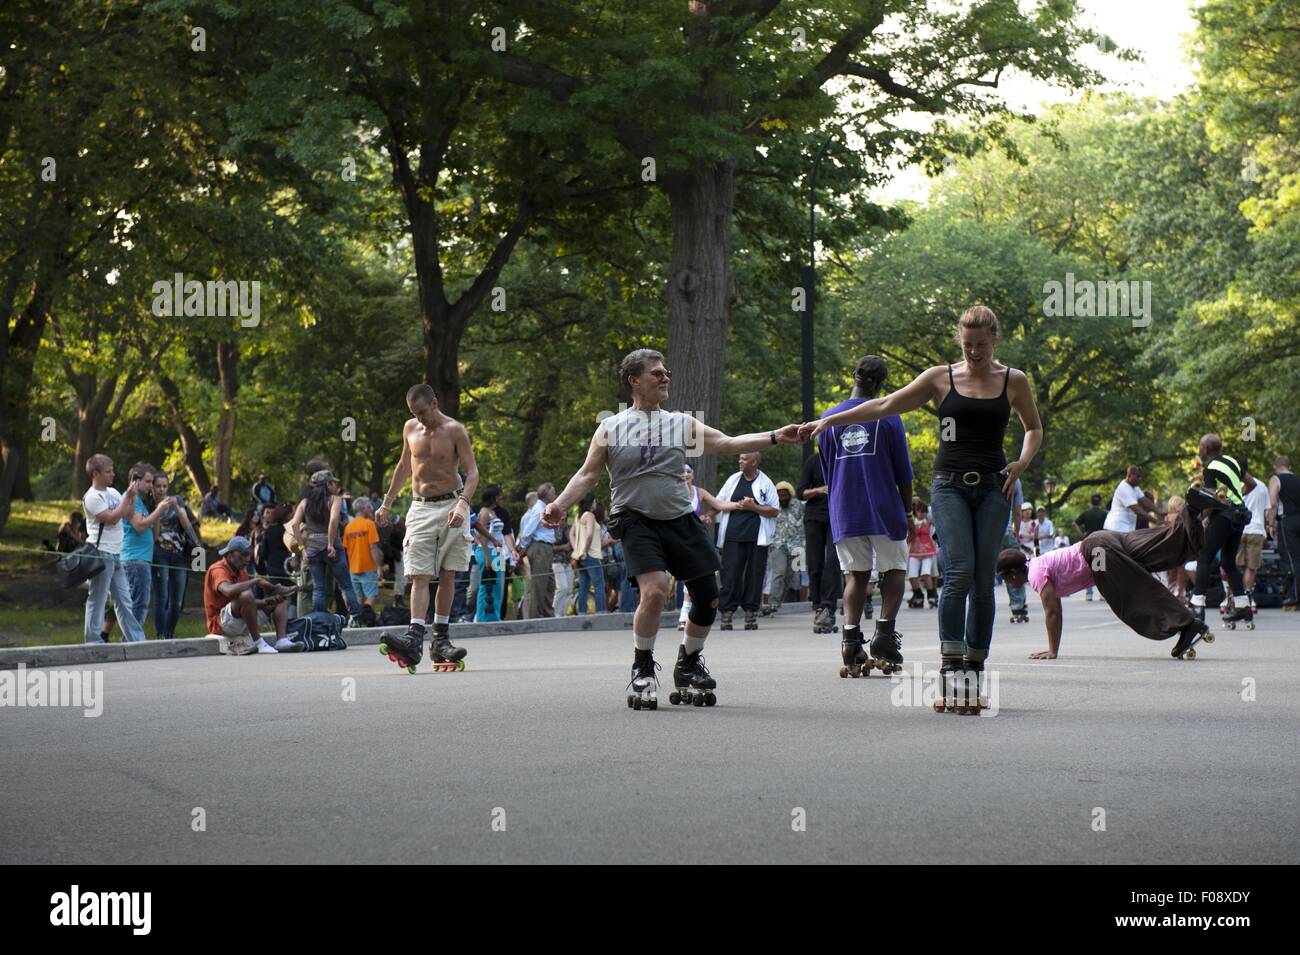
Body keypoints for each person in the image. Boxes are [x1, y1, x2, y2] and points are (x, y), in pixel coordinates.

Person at [804, 306, 1042, 708]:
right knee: (959, 572)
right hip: (948, 485)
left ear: (994, 340)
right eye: (967, 345)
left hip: (993, 487)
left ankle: (973, 673)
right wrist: (831, 421)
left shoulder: (1013, 380)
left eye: (981, 345)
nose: (974, 352)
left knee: (983, 581)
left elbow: (1033, 428)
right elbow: (884, 406)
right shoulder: (940, 377)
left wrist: (1021, 463)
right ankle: (951, 671)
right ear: (959, 341)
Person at [542, 348, 803, 708]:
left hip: (680, 519)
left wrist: (776, 436)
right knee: (654, 592)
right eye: (656, 373)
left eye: (666, 372)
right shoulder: (611, 427)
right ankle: (643, 665)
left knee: (709, 596)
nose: (665, 378)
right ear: (634, 381)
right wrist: (559, 505)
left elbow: (726, 443)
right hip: (635, 519)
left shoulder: (680, 423)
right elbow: (587, 475)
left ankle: (689, 662)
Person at [1000, 485, 1229, 661]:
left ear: (1013, 574)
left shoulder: (1035, 574)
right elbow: (1055, 611)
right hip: (1103, 541)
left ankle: (1188, 624)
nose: (1010, 584)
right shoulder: (1039, 564)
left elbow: (1053, 612)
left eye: (1007, 579)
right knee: (1160, 548)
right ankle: (1196, 510)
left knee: (1129, 595)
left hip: (1096, 552)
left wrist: (1052, 650)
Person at [814, 355, 913, 676]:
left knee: (855, 575)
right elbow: (903, 472)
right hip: (884, 505)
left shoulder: (827, 420)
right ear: (882, 384)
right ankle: (884, 635)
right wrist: (908, 510)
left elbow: (828, 472)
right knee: (894, 568)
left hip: (845, 506)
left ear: (853, 374)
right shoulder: (889, 416)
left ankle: (849, 641)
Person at [374, 383, 479, 667]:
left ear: (434, 404)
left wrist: (463, 504)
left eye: (422, 412)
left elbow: (472, 472)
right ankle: (414, 636)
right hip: (420, 507)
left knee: (448, 573)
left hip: (452, 504)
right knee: (419, 574)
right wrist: (386, 502)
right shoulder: (410, 429)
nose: (419, 418)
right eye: (413, 413)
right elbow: (403, 467)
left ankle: (441, 639)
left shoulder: (455, 430)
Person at [80, 455, 149, 643]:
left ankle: (136, 639)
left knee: (124, 600)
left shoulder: (113, 492)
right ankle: (93, 640)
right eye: (108, 471)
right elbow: (110, 518)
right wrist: (126, 496)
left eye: (112, 470)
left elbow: (127, 515)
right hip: (101, 553)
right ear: (95, 473)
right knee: (98, 599)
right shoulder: (92, 497)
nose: (113, 474)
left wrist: (131, 497)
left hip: (115, 554)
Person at [1191, 433, 1254, 628]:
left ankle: (1198, 607)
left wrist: (1201, 518)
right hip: (1240, 515)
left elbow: (1212, 501)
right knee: (1228, 562)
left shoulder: (1210, 468)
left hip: (1224, 516)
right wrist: (1236, 499)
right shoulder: (1232, 461)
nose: (1199, 449)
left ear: (1205, 449)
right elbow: (1251, 483)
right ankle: (1243, 607)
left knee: (1204, 558)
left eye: (1200, 445)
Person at [712, 452, 780, 631]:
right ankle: (727, 611)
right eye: (740, 458)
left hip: (757, 537)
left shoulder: (766, 483)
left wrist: (753, 507)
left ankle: (751, 611)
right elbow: (718, 502)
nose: (739, 461)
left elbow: (774, 510)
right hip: (733, 535)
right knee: (730, 574)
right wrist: (708, 515)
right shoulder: (733, 480)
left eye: (743, 458)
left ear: (754, 461)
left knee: (755, 575)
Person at [287, 470, 365, 624]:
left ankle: (318, 620)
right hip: (332, 547)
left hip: (312, 549)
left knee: (318, 587)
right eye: (333, 483)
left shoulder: (305, 502)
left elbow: (295, 524)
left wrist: (302, 550)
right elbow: (334, 520)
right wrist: (330, 543)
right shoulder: (334, 499)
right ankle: (356, 618)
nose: (336, 486)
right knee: (346, 586)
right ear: (328, 484)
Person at [202, 536, 296, 654]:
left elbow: (249, 603)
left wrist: (268, 601)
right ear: (231, 553)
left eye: (249, 555)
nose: (247, 559)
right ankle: (258, 642)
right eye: (243, 555)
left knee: (280, 600)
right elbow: (229, 591)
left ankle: (282, 640)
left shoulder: (242, 571)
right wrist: (256, 581)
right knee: (246, 595)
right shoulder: (218, 569)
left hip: (239, 620)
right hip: (221, 625)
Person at [798, 447, 843, 632]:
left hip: (838, 515)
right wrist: (819, 490)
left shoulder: (843, 459)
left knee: (832, 561)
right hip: (814, 516)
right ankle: (818, 605)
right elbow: (800, 492)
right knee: (814, 564)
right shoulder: (813, 461)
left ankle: (828, 607)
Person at [151, 472, 200, 640]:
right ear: (153, 487)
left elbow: (187, 526)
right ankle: (160, 635)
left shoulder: (177, 500)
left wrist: (178, 509)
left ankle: (169, 633)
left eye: (164, 486)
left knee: (177, 601)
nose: (161, 490)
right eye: (158, 486)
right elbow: (155, 536)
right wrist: (158, 510)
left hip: (179, 554)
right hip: (160, 554)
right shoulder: (149, 504)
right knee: (162, 596)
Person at [518, 483, 558, 618]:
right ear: (546, 495)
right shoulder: (538, 509)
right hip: (540, 547)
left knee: (549, 583)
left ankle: (546, 612)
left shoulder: (544, 507)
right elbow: (528, 530)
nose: (555, 495)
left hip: (545, 547)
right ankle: (535, 615)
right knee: (539, 583)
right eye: (553, 492)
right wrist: (523, 548)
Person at [764, 481, 803, 617]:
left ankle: (779, 601)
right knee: (778, 573)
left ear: (790, 494)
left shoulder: (799, 505)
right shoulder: (773, 506)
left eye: (784, 495)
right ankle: (772, 603)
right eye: (779, 495)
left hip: (797, 546)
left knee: (791, 576)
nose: (782, 497)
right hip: (778, 544)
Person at [1266, 455, 1300, 610]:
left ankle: (1293, 595)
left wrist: (1270, 523)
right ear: (1289, 467)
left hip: (1287, 521)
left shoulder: (1276, 479)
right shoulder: (1297, 480)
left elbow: (1273, 503)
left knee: (1290, 559)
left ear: (1276, 466)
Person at [344, 497, 384, 611]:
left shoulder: (348, 527)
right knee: (371, 597)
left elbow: (346, 549)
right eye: (369, 507)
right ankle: (365, 618)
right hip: (368, 567)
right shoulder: (369, 524)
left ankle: (357, 622)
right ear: (363, 509)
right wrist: (378, 567)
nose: (371, 509)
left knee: (358, 598)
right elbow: (373, 547)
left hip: (353, 568)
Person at [1237, 475, 1269, 606]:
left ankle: (1235, 596)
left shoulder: (1235, 485)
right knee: (1251, 567)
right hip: (1256, 529)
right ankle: (1248, 595)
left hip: (1239, 529)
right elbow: (1266, 511)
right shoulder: (1262, 486)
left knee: (1237, 565)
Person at [1071, 493, 1109, 600]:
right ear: (1100, 502)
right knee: (1100, 567)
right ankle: (1103, 593)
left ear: (1091, 502)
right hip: (1101, 540)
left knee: (1088, 566)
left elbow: (1074, 524)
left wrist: (1081, 535)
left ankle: (1089, 593)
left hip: (1088, 541)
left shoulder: (1086, 513)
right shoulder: (1104, 514)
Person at [572, 494, 606, 614]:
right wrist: (586, 550)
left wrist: (577, 549)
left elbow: (572, 534)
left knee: (584, 586)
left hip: (581, 556)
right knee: (599, 585)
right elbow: (590, 534)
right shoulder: (590, 515)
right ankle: (601, 612)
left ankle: (582, 612)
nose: (596, 505)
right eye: (595, 502)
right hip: (591, 555)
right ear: (591, 503)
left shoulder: (578, 517)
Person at [1103, 466, 1161, 532]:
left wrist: (1160, 513)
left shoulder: (1135, 487)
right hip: (1116, 528)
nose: (1140, 479)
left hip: (1126, 528)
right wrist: (1157, 521)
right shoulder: (1123, 489)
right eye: (1138, 476)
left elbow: (1145, 501)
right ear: (1129, 475)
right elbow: (1138, 510)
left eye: (1141, 476)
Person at [907, 496, 939, 609]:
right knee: (912, 574)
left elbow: (938, 521)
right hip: (914, 551)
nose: (914, 506)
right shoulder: (910, 519)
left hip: (929, 550)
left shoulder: (929, 518)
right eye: (913, 505)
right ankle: (918, 595)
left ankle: (932, 595)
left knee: (929, 573)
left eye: (916, 504)